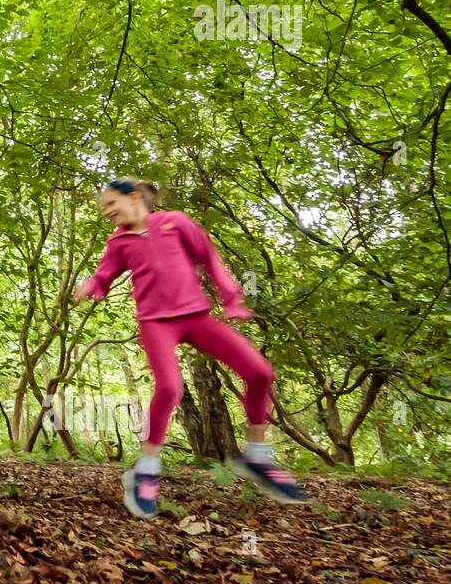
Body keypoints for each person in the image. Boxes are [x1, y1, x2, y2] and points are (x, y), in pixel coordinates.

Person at [72, 177, 307, 519]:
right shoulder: (119, 241)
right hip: (155, 323)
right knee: (170, 388)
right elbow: (104, 276)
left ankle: (257, 455)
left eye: (111, 204)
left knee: (260, 373)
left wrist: (231, 298)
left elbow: (210, 259)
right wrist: (90, 285)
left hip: (197, 317)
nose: (107, 212)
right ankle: (146, 468)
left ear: (134, 197)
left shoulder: (175, 222)